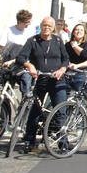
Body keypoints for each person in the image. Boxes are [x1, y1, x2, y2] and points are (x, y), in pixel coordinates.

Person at [18, 18, 70, 148]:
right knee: (35, 110)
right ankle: (30, 140)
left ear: (53, 28)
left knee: (60, 111)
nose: (46, 28)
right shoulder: (33, 40)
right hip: (41, 79)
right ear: (41, 26)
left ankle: (62, 142)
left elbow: (66, 59)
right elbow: (21, 57)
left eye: (49, 26)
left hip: (57, 80)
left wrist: (62, 69)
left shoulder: (58, 41)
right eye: (44, 25)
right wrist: (29, 65)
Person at [66, 23, 87, 91]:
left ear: (84, 33)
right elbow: (65, 56)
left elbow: (86, 55)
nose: (79, 31)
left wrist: (75, 46)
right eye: (76, 30)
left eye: (81, 30)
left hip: (83, 74)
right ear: (73, 32)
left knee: (80, 97)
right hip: (69, 73)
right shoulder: (68, 44)